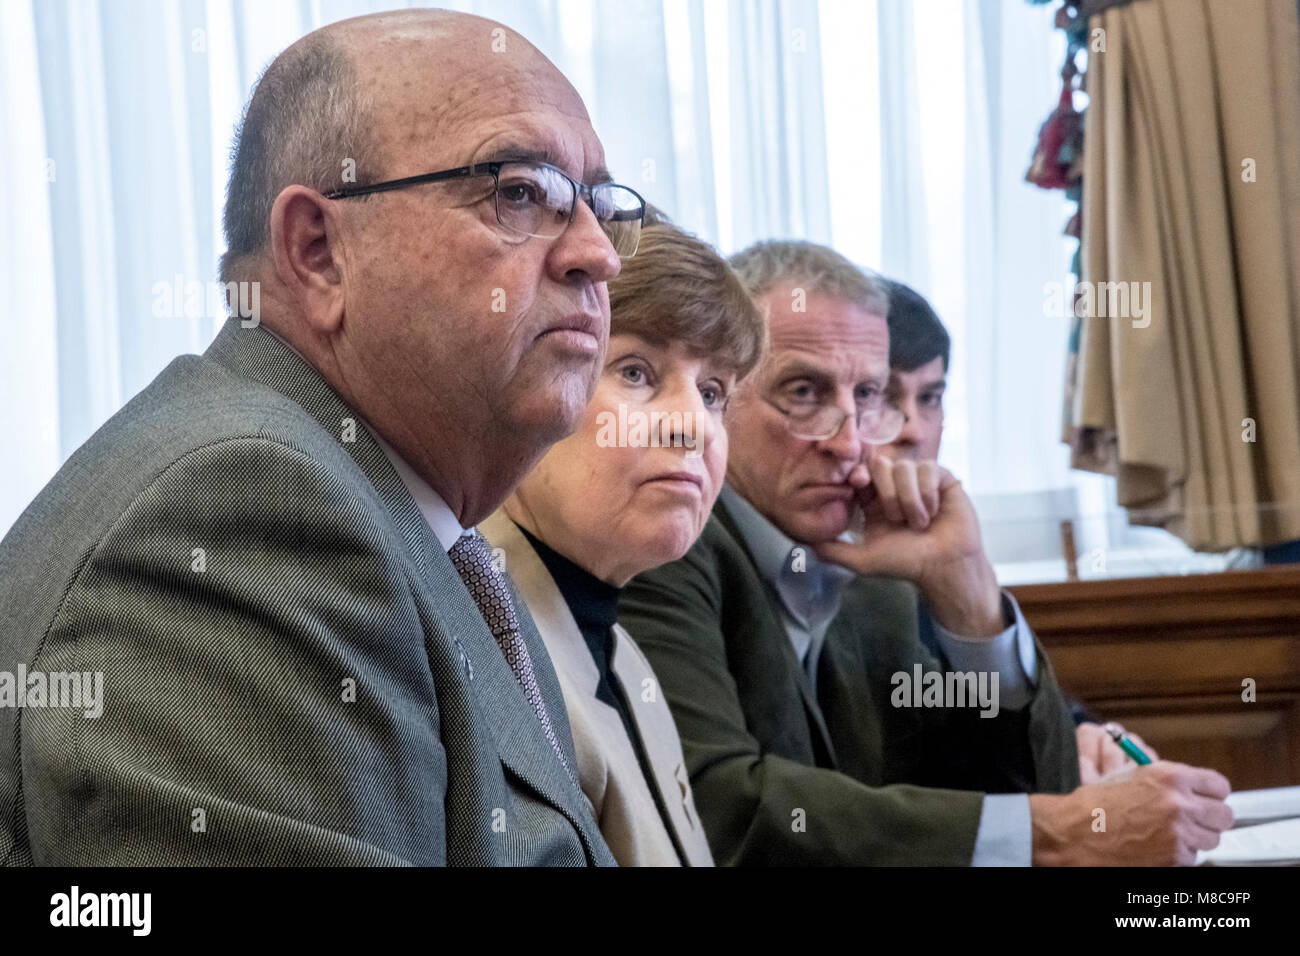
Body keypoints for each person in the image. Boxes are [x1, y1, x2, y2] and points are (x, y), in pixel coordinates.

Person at [0, 9, 644, 865]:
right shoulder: (241, 513)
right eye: (521, 192)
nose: (597, 254)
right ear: (317, 252)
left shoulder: (421, 528)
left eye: (600, 206)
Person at [620, 239, 1234, 865]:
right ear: (717, 395)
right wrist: (1054, 833)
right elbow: (720, 809)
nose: (852, 442)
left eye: (869, 397)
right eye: (804, 392)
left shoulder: (878, 570)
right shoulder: (669, 541)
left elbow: (1026, 787)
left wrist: (967, 593)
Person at [480, 219, 763, 865]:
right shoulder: (484, 643)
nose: (693, 425)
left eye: (714, 392)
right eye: (636, 372)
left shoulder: (625, 655)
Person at [878, 278, 1160, 784]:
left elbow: (984, 712)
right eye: (881, 397)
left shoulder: (934, 544)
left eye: (931, 398)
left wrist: (1083, 736)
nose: (915, 430)